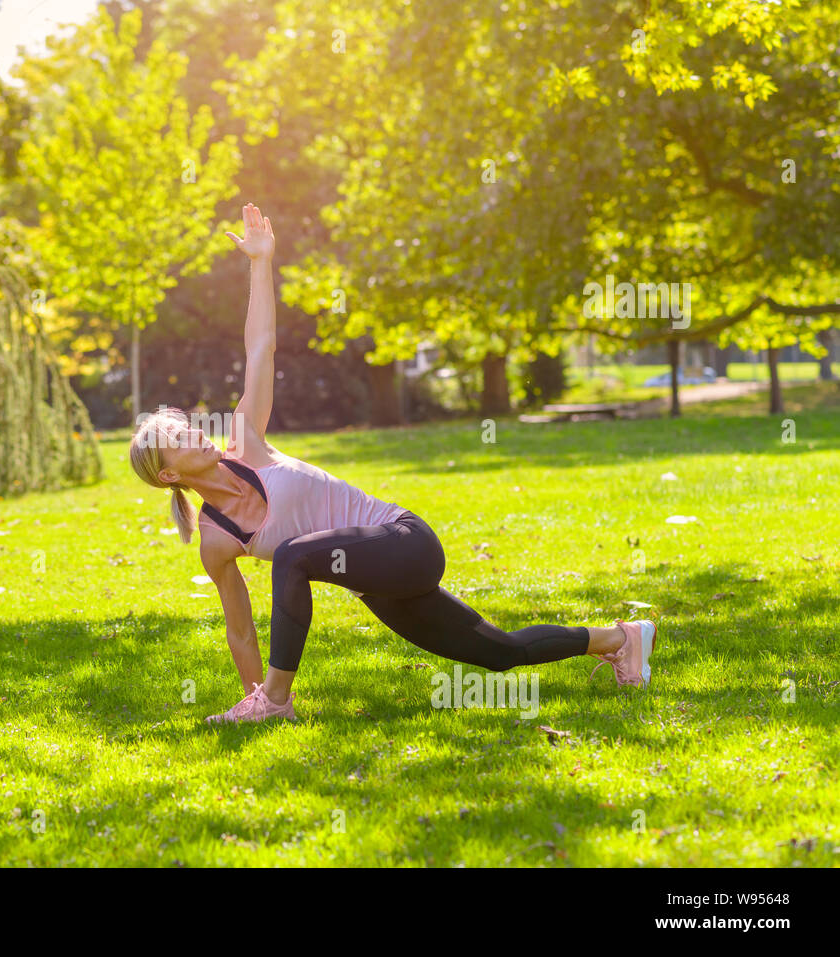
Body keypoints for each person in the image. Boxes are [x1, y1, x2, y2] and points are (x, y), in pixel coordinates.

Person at [128, 204, 657, 723]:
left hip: (404, 541)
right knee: (498, 653)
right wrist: (248, 696)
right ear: (168, 474)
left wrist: (260, 262)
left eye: (185, 423)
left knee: (290, 555)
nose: (193, 430)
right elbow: (240, 629)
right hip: (377, 583)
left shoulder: (248, 442)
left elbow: (260, 347)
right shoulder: (217, 542)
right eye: (176, 437)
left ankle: (278, 701)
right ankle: (621, 639)